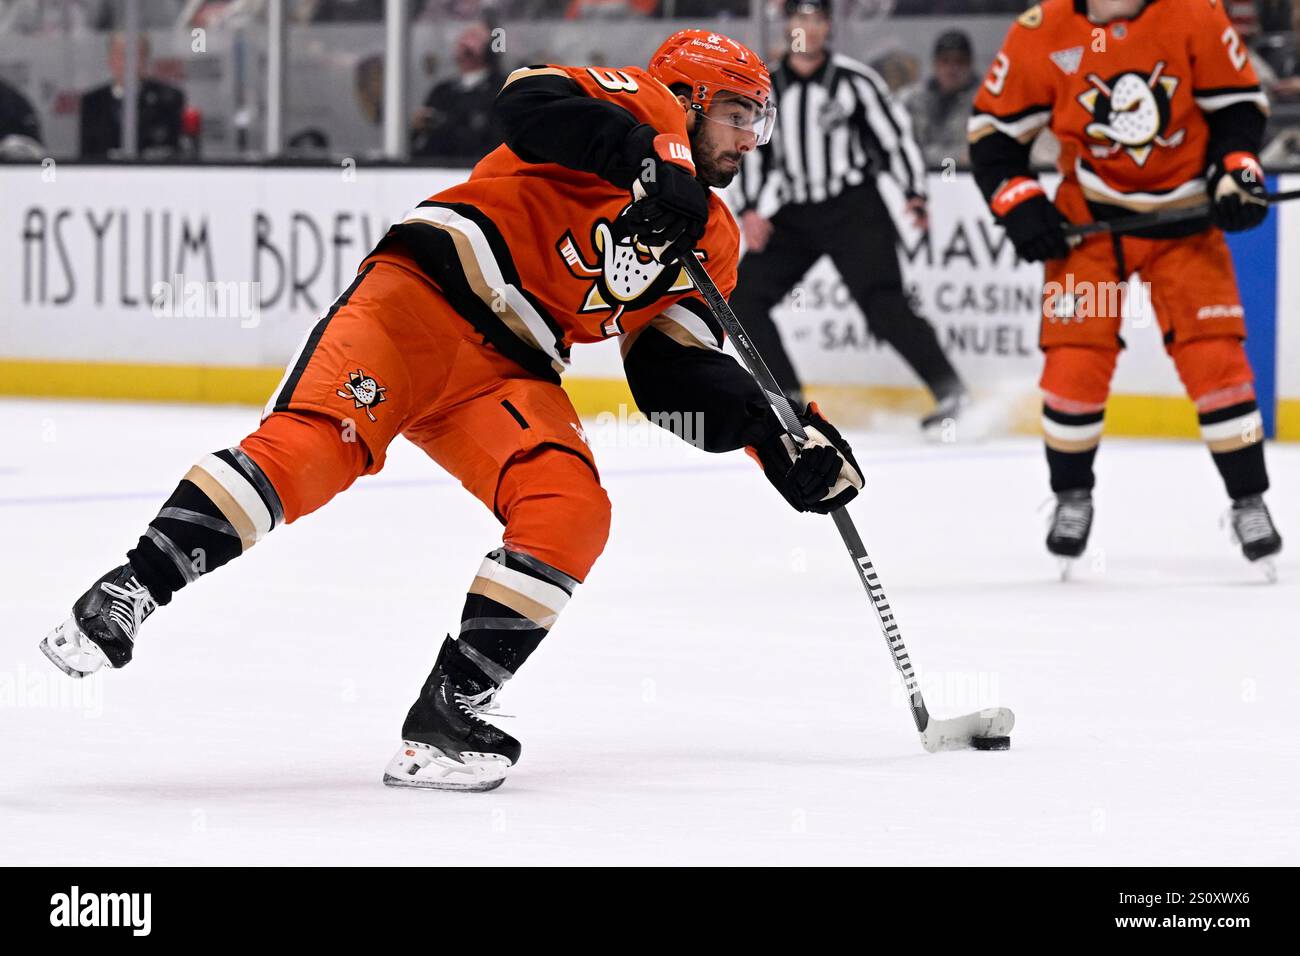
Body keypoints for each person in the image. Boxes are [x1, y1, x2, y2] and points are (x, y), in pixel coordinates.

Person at [39, 30, 863, 793]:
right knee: (313, 455)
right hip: (423, 299)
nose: (753, 136)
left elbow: (670, 374)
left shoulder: (713, 238)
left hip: (511, 372)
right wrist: (651, 162)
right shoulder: (640, 103)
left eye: (760, 116)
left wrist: (775, 434)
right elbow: (525, 101)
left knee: (570, 511)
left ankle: (449, 713)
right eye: (739, 111)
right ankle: (130, 588)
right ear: (686, 96)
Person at [969, 0, 1283, 574]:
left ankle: (1249, 500)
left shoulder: (1193, 14)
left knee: (1215, 361)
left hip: (1186, 224)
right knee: (1073, 366)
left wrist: (1237, 169)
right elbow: (993, 135)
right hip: (1089, 227)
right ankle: (1071, 496)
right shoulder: (1042, 30)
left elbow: (1238, 106)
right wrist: (1019, 202)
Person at [732, 0, 972, 435]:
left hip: (853, 206)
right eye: (799, 18)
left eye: (816, 19)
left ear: (828, 27)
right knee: (743, 296)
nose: (807, 27)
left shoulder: (854, 81)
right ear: (786, 25)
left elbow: (894, 140)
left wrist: (914, 195)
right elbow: (751, 150)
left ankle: (951, 390)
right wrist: (749, 209)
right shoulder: (766, 86)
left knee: (883, 303)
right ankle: (787, 397)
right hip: (796, 210)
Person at [79, 32, 185, 160]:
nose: (129, 63)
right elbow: (87, 153)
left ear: (146, 60)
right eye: (123, 55)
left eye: (136, 56)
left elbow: (173, 149)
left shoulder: (168, 98)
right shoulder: (92, 101)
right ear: (110, 60)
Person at [411, 22, 506, 161]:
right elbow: (418, 143)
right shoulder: (442, 91)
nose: (464, 42)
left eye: (474, 37)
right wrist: (419, 127)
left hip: (478, 168)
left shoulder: (501, 89)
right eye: (463, 37)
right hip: (435, 171)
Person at [901, 30, 979, 167]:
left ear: (971, 64)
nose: (952, 69)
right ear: (934, 64)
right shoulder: (912, 100)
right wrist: (956, 157)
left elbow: (978, 155)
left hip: (968, 180)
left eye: (960, 61)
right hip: (924, 178)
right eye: (945, 61)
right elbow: (905, 150)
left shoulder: (985, 102)